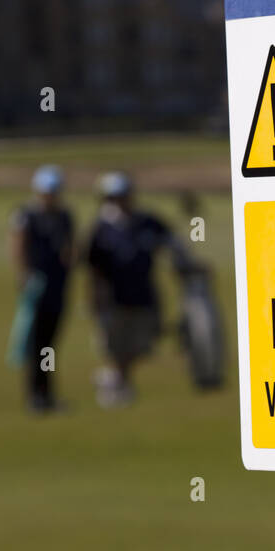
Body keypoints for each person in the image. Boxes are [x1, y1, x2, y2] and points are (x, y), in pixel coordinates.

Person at [84, 171, 185, 406]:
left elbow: (173, 243)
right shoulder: (101, 228)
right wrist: (94, 298)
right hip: (113, 297)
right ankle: (118, 386)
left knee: (144, 344)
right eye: (112, 197)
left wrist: (186, 264)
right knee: (114, 344)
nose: (118, 201)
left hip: (144, 294)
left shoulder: (147, 221)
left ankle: (113, 378)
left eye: (121, 195)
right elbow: (92, 267)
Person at [8, 165, 74, 412]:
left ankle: (46, 394)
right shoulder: (26, 214)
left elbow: (69, 248)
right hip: (37, 286)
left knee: (49, 345)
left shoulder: (65, 216)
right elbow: (17, 244)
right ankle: (36, 396)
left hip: (58, 287)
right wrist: (23, 274)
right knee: (37, 343)